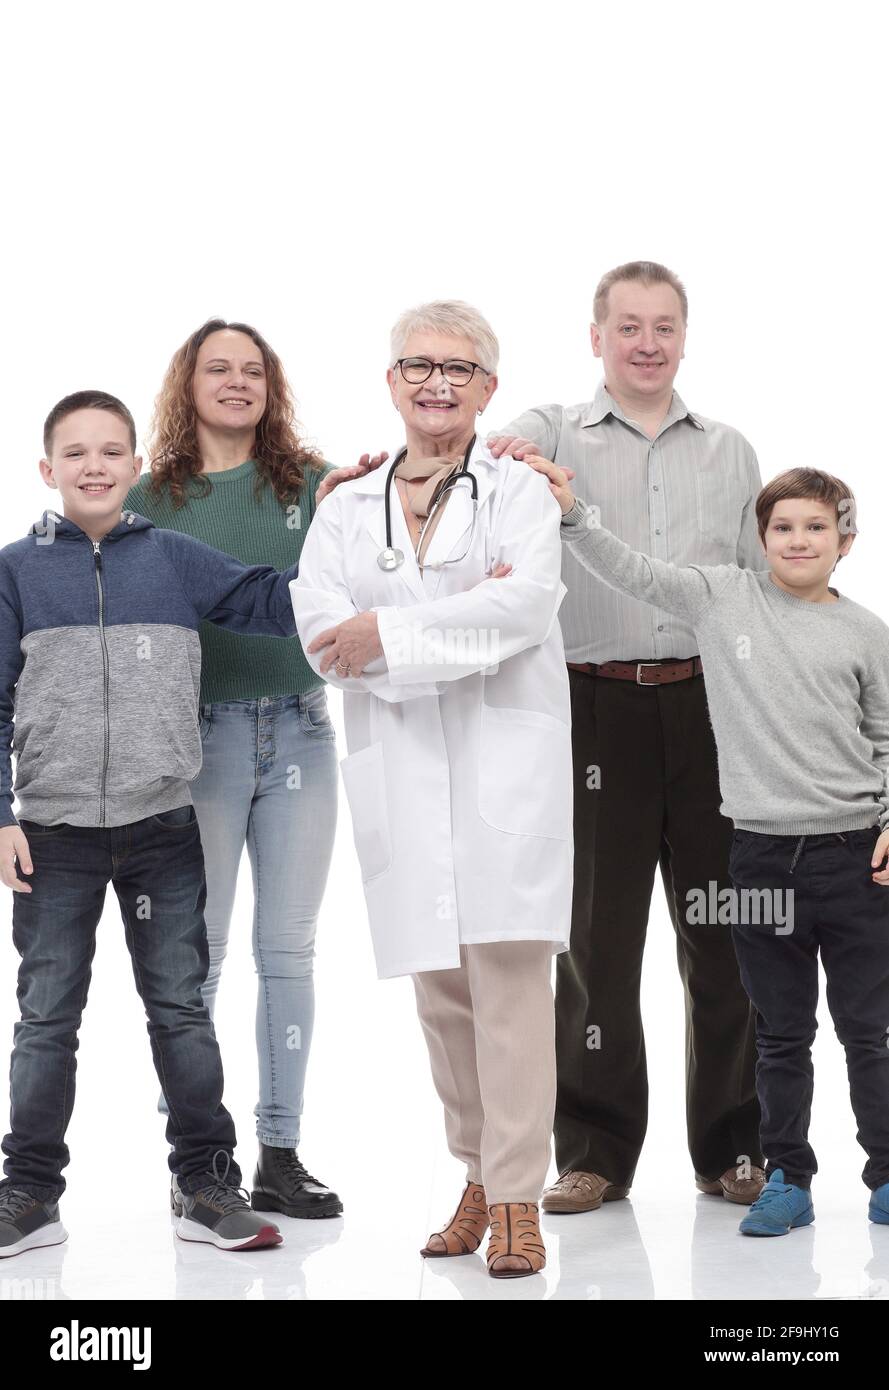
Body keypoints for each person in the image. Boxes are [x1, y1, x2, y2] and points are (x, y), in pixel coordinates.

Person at [528, 449, 889, 1236]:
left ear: (844, 541)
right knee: (780, 1033)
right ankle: (785, 1174)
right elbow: (632, 571)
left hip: (855, 858)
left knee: (869, 1028)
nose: (798, 540)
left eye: (815, 528)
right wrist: (569, 513)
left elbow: (885, 735)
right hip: (760, 856)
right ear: (758, 538)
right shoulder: (723, 599)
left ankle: (884, 1174)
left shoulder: (866, 632)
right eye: (782, 527)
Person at [291, 300, 572, 1277]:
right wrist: (445, 629)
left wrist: (394, 636)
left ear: (488, 388)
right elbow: (327, 637)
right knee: (442, 1000)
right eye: (419, 364)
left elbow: (524, 608)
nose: (438, 382)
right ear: (392, 380)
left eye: (460, 368)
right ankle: (476, 1176)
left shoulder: (518, 493)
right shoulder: (343, 507)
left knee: (509, 994)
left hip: (506, 776)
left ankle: (516, 1196)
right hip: (402, 777)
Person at [0, 390, 316, 1256]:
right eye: (76, 453)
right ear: (47, 470)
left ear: (134, 469)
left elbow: (273, 602)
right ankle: (27, 1194)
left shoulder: (172, 558)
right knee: (44, 1018)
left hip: (162, 827)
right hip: (54, 832)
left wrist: (366, 528)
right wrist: (2, 818)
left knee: (180, 1009)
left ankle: (204, 1185)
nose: (94, 466)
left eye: (111, 452)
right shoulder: (17, 570)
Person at [487, 260, 765, 1212]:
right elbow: (482, 456)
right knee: (595, 942)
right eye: (628, 326)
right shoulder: (550, 431)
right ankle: (595, 1150)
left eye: (663, 327)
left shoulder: (729, 450)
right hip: (591, 705)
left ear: (684, 337)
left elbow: (756, 590)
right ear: (595, 336)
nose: (646, 343)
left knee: (724, 934)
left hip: (709, 709)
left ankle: (734, 1146)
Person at [126, 319, 375, 1220]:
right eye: (216, 369)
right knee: (200, 952)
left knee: (290, 950)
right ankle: (198, 1157)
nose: (236, 382)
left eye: (252, 370)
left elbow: (365, 574)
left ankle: (280, 1150)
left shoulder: (312, 486)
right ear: (185, 386)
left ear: (271, 386)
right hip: (200, 744)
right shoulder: (151, 498)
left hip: (303, 730)